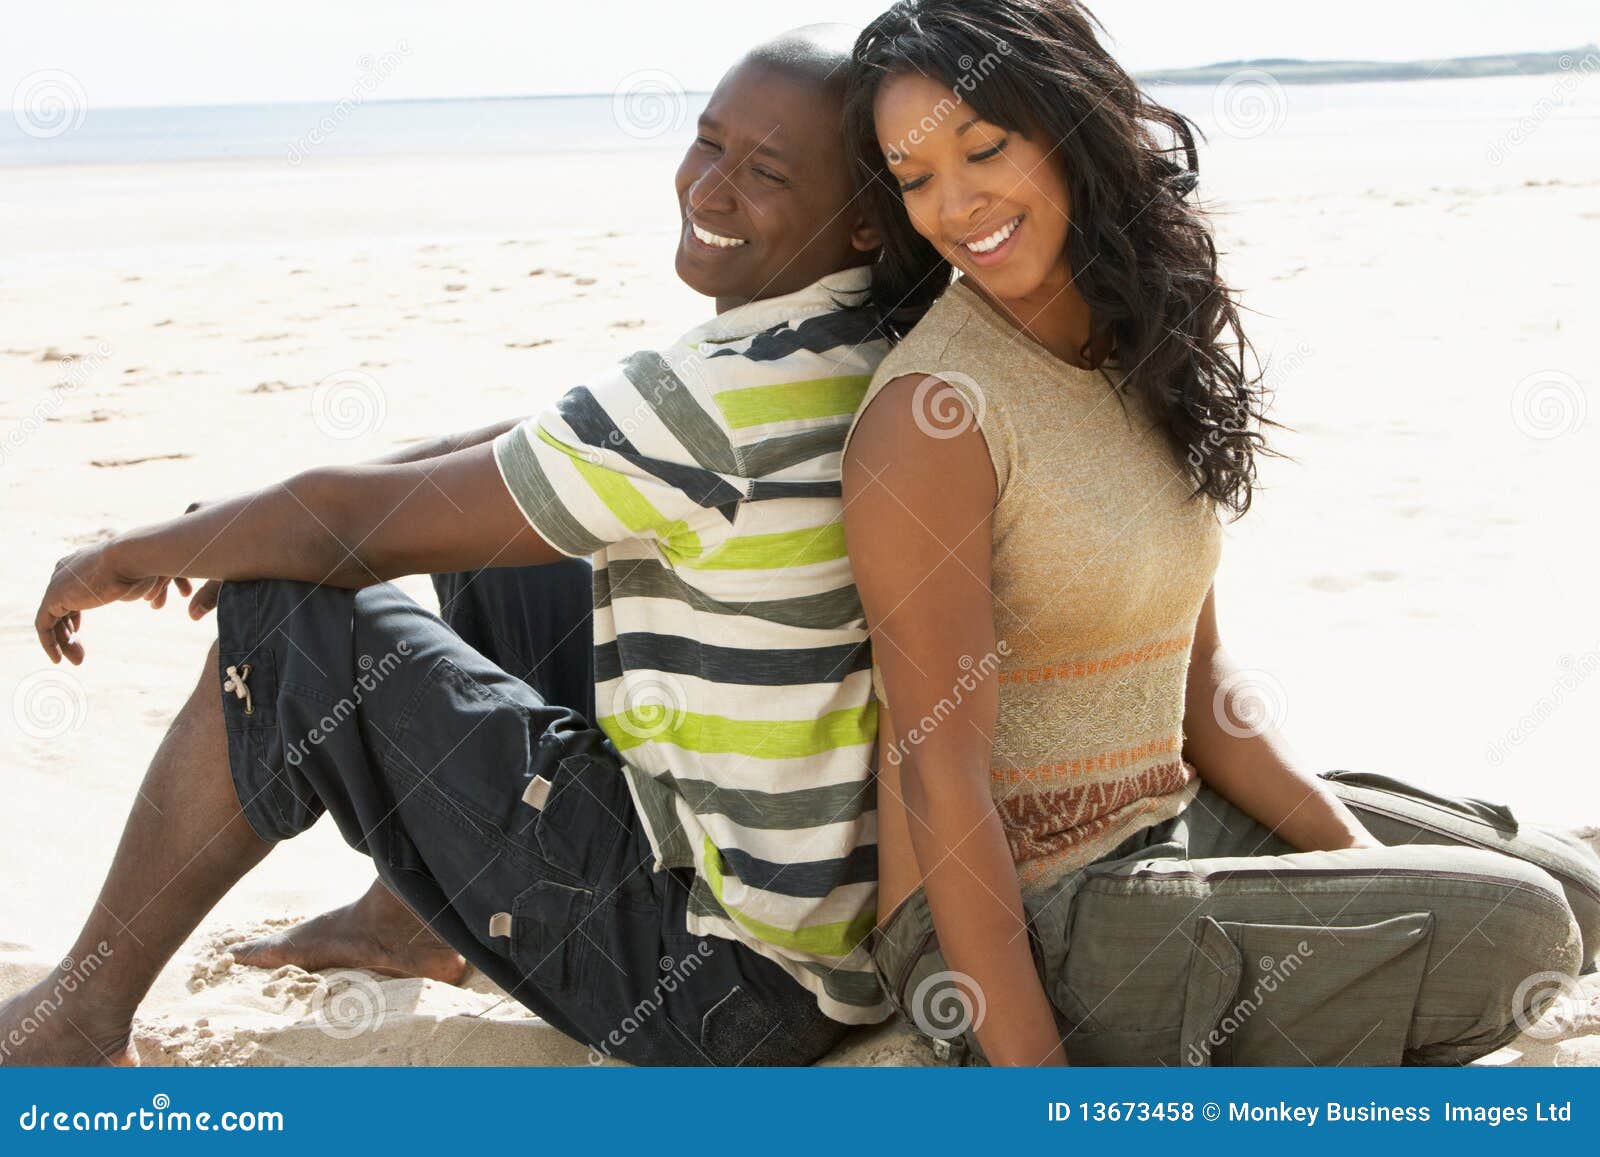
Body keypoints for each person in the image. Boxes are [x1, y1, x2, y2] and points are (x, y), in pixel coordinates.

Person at [3, 25, 893, 1067]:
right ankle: (404, 919)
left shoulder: (716, 399)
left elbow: (344, 521)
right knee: (502, 537)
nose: (710, 188)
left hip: (709, 989)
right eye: (707, 142)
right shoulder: (843, 345)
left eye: (766, 171)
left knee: (282, 624)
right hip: (792, 951)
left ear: (867, 220)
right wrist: (246, 521)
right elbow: (510, 458)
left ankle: (73, 1022)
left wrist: (133, 556)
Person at [837, 0, 1600, 1067]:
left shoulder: (1134, 348)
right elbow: (940, 775)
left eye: (983, 149)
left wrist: (1362, 865)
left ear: (1070, 127)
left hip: (1170, 821)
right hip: (1019, 916)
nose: (955, 206)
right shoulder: (932, 417)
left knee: (1572, 891)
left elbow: (1200, 691)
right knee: (1513, 929)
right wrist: (1032, 1095)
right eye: (914, 179)